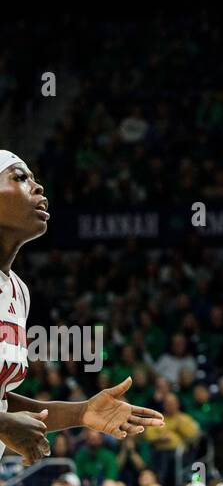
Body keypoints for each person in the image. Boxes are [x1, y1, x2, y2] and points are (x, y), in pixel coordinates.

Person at [0, 150, 165, 468]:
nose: (38, 187)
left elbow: (3, 400)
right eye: (20, 177)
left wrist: (81, 413)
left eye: (35, 179)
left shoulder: (17, 292)